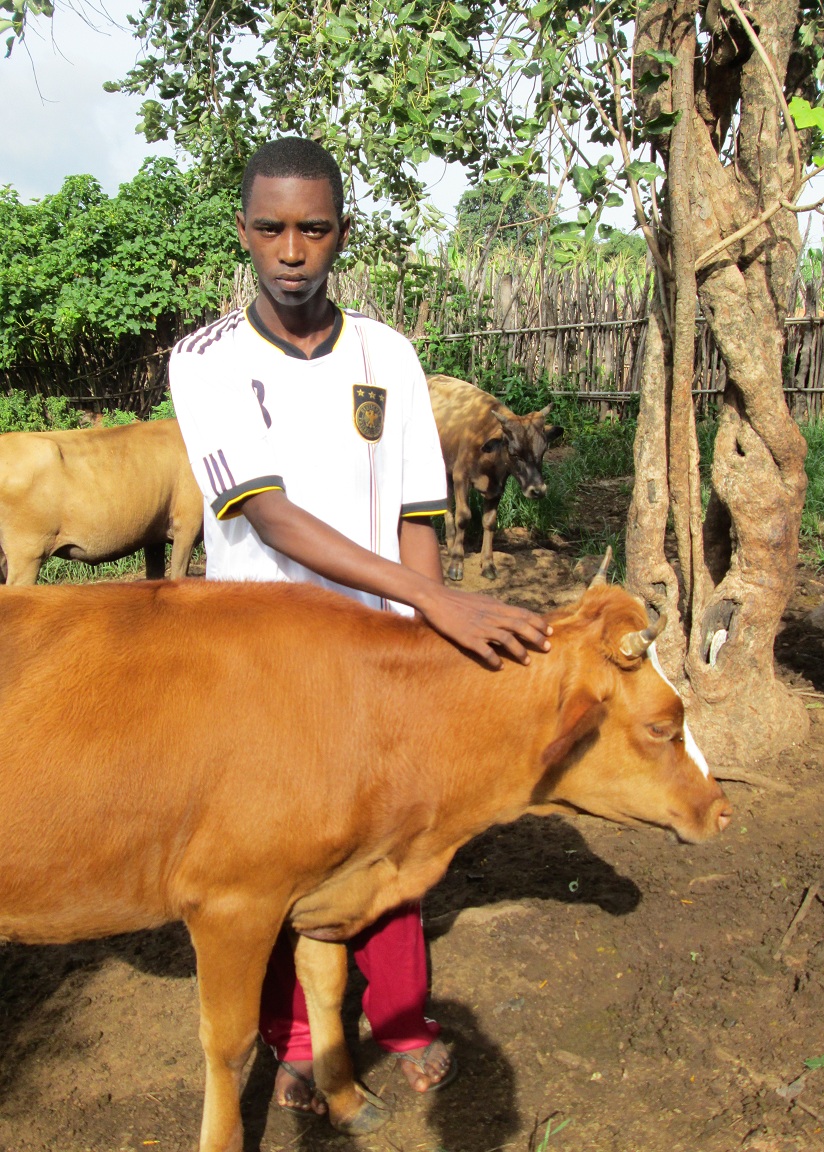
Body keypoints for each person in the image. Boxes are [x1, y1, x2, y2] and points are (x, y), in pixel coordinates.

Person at [169, 136, 551, 1116]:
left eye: (313, 227)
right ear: (245, 231)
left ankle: (405, 1014)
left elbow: (421, 507)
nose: (291, 249)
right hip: (256, 663)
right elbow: (268, 514)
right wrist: (433, 601)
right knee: (271, 855)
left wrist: (420, 643)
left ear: (342, 231)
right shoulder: (205, 361)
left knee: (396, 838)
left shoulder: (390, 356)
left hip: (380, 651)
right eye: (270, 228)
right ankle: (294, 1036)